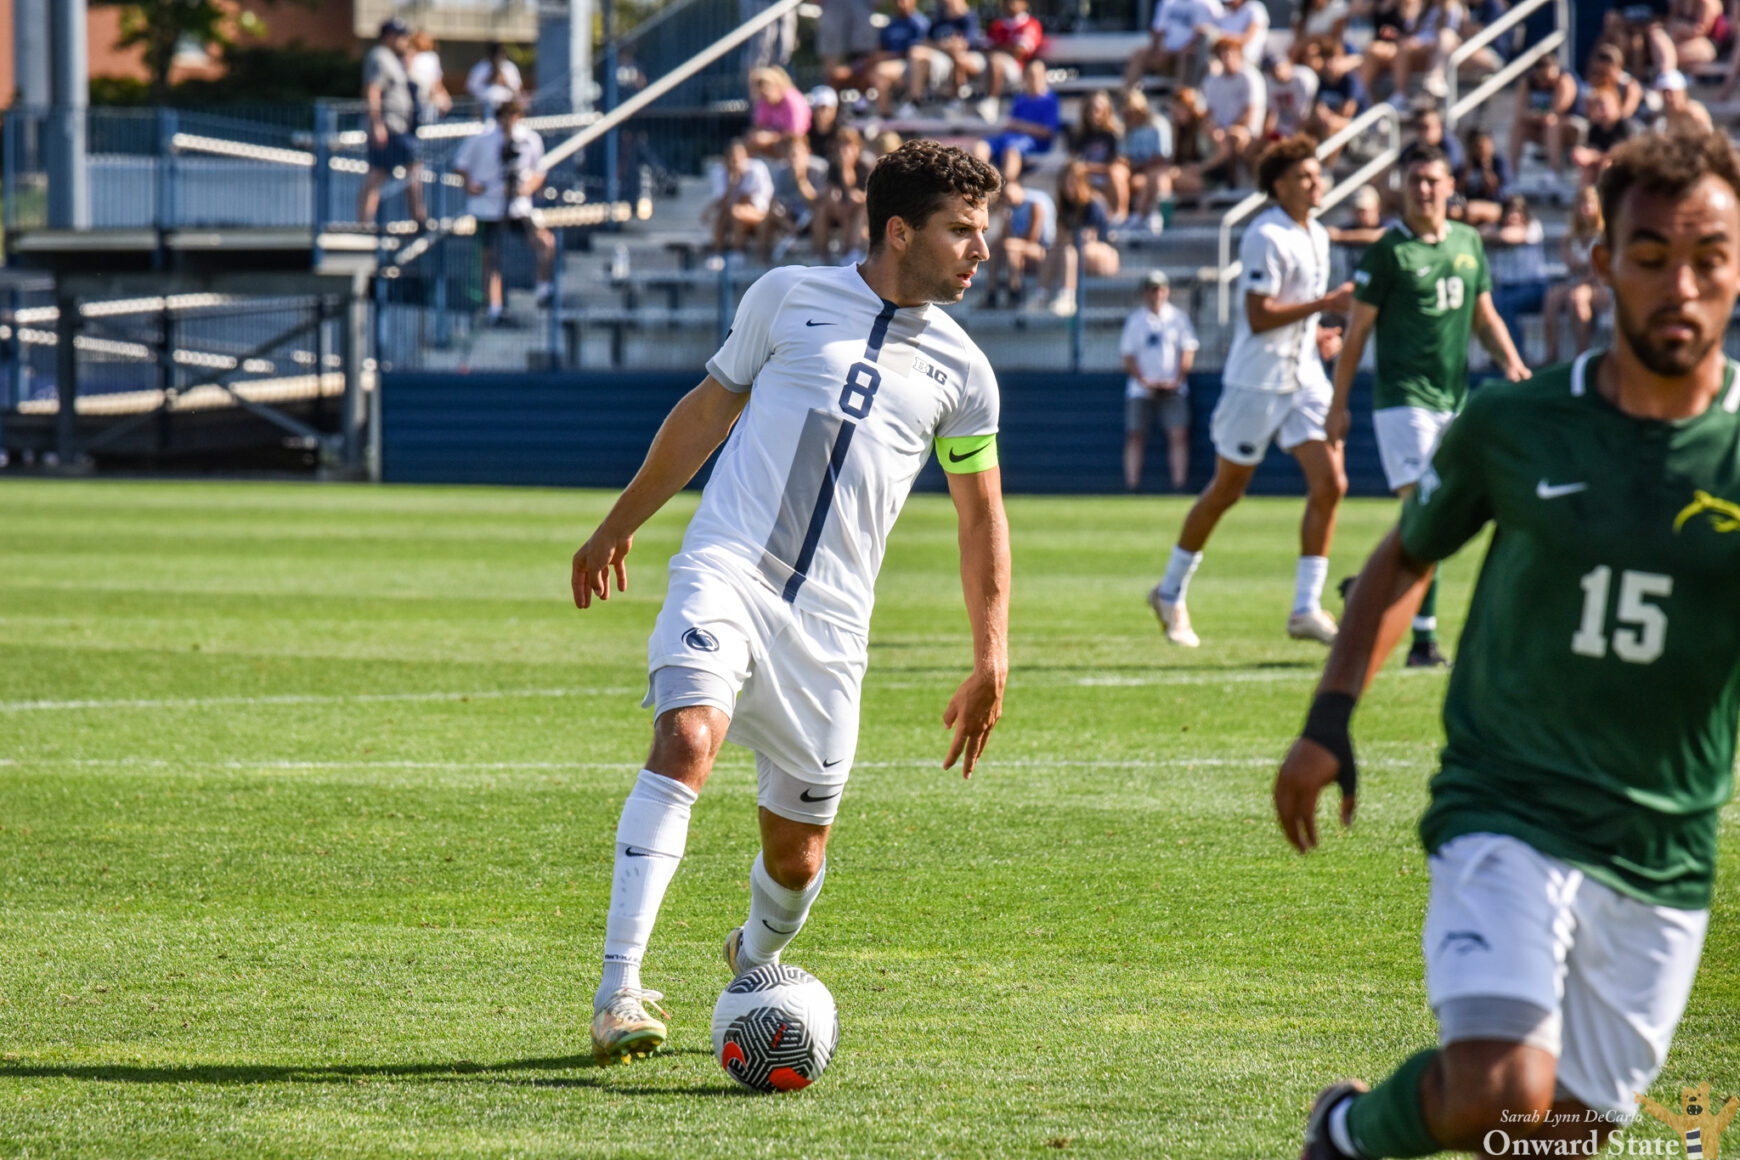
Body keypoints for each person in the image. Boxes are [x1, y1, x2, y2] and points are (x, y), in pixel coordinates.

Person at [1280, 125, 1740, 1160]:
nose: (1682, 285)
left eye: (1710, 257)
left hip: (1663, 843)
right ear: (1602, 264)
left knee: (1563, 1137)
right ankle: (1349, 1133)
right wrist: (1328, 719)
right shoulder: (1514, 422)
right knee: (1501, 1086)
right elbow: (1401, 559)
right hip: (1508, 804)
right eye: (1652, 256)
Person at [573, 139, 1009, 1068]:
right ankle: (620, 990)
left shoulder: (966, 374)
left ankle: (753, 960)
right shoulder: (785, 296)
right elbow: (705, 412)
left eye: (985, 232)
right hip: (728, 569)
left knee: (797, 860)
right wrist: (621, 523)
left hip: (831, 631)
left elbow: (981, 521)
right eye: (963, 231)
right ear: (900, 231)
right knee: (687, 735)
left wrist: (990, 655)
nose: (983, 251)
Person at [1149, 135, 1354, 648]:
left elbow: (1296, 311)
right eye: (1304, 176)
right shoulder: (1266, 234)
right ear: (1279, 185)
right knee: (1227, 490)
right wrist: (1327, 304)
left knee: (1331, 483)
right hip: (1256, 380)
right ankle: (1170, 590)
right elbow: (1260, 317)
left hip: (1304, 375)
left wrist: (1318, 335)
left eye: (1316, 174)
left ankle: (1306, 607)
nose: (1315, 182)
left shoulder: (1318, 234)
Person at [1326, 143, 1526, 668]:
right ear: (1403, 186)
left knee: (1447, 518)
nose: (1424, 189)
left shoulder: (1467, 242)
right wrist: (1338, 404)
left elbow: (1484, 317)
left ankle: (1368, 587)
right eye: (1415, 179)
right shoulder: (1388, 252)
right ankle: (1422, 640)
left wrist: (1511, 361)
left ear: (1449, 185)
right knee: (1425, 512)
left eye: (1433, 180)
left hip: (1454, 400)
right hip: (1402, 402)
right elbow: (1357, 333)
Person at [453, 97, 555, 325]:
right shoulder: (482, 139)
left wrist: (527, 187)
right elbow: (460, 165)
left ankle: (543, 291)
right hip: (488, 207)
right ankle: (494, 309)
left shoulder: (529, 139)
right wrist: (470, 184)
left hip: (518, 207)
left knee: (544, 242)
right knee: (490, 258)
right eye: (505, 115)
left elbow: (539, 171)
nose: (509, 121)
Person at [1121, 270, 1199, 491]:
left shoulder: (1178, 319)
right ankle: (1132, 487)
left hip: (1174, 389)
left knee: (1179, 435)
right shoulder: (1135, 321)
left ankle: (1178, 486)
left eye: (1161, 289)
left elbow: (1188, 351)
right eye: (1152, 289)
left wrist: (1176, 380)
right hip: (1140, 390)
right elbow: (1127, 356)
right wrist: (1144, 381)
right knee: (1135, 435)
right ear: (1145, 292)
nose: (1157, 294)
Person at [359, 19, 427, 230]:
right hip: (389, 127)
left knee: (379, 173)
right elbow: (373, 91)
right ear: (389, 36)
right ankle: (418, 217)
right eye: (401, 36)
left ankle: (365, 223)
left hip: (396, 127)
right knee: (413, 166)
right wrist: (377, 124)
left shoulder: (392, 59)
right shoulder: (380, 56)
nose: (404, 41)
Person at [1037, 160, 1119, 316]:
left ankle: (1067, 297)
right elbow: (1060, 236)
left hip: (1103, 256)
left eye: (1072, 183)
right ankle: (1041, 296)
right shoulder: (1064, 206)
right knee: (1055, 251)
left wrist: (1070, 238)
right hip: (1078, 253)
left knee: (1068, 251)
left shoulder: (1093, 203)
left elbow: (1090, 237)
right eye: (1065, 184)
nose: (1068, 188)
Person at [1541, 182, 1610, 364]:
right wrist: (1585, 268)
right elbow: (1572, 263)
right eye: (1582, 204)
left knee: (1577, 298)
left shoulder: (1604, 235)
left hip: (1600, 286)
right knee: (1552, 297)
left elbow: (1598, 270)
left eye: (1589, 203)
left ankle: (1581, 356)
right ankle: (1551, 355)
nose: (1585, 208)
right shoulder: (1569, 237)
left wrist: (1584, 271)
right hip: (1577, 282)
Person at [982, 172, 1054, 308]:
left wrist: (1011, 242)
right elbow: (1004, 237)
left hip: (1040, 252)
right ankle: (991, 295)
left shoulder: (1034, 206)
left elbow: (1033, 238)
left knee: (1010, 248)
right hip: (1018, 249)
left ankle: (1014, 292)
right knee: (995, 251)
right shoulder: (1009, 210)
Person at [979, 59, 1060, 180]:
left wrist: (1019, 126)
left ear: (1043, 76)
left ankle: (1007, 186)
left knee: (1012, 151)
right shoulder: (1020, 99)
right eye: (1030, 75)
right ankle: (980, 180)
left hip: (1032, 142)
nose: (1033, 79)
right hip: (1010, 138)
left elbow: (1047, 131)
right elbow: (1011, 124)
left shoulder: (1050, 100)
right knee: (981, 146)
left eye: (1036, 76)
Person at [1507, 51, 1579, 187]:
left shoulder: (1565, 80)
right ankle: (1512, 173)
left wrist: (1534, 115)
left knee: (1551, 123)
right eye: (1541, 77)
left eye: (1547, 77)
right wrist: (1536, 116)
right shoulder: (1528, 81)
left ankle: (1553, 171)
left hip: (1569, 128)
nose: (1544, 82)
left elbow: (1556, 111)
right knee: (1519, 127)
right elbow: (1520, 113)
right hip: (1541, 128)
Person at [705, 138, 776, 256]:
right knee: (723, 215)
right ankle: (718, 254)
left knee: (736, 212)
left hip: (759, 213)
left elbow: (755, 201)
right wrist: (732, 183)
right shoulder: (720, 171)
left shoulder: (756, 169)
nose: (735, 161)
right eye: (731, 157)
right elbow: (722, 201)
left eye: (738, 157)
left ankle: (738, 252)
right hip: (732, 214)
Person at [747, 66, 811, 156]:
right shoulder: (764, 102)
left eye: (767, 89)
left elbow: (796, 134)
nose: (764, 96)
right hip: (775, 144)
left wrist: (770, 138)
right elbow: (758, 127)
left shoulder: (792, 101)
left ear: (777, 86)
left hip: (796, 143)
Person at [406, 31, 451, 124]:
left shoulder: (431, 57)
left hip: (424, 97)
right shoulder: (412, 55)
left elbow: (436, 81)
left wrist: (442, 95)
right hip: (414, 95)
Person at [466, 41, 523, 111]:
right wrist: (488, 80)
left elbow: (516, 89)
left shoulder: (509, 68)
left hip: (506, 106)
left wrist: (504, 81)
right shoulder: (481, 67)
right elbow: (471, 88)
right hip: (484, 106)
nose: (497, 57)